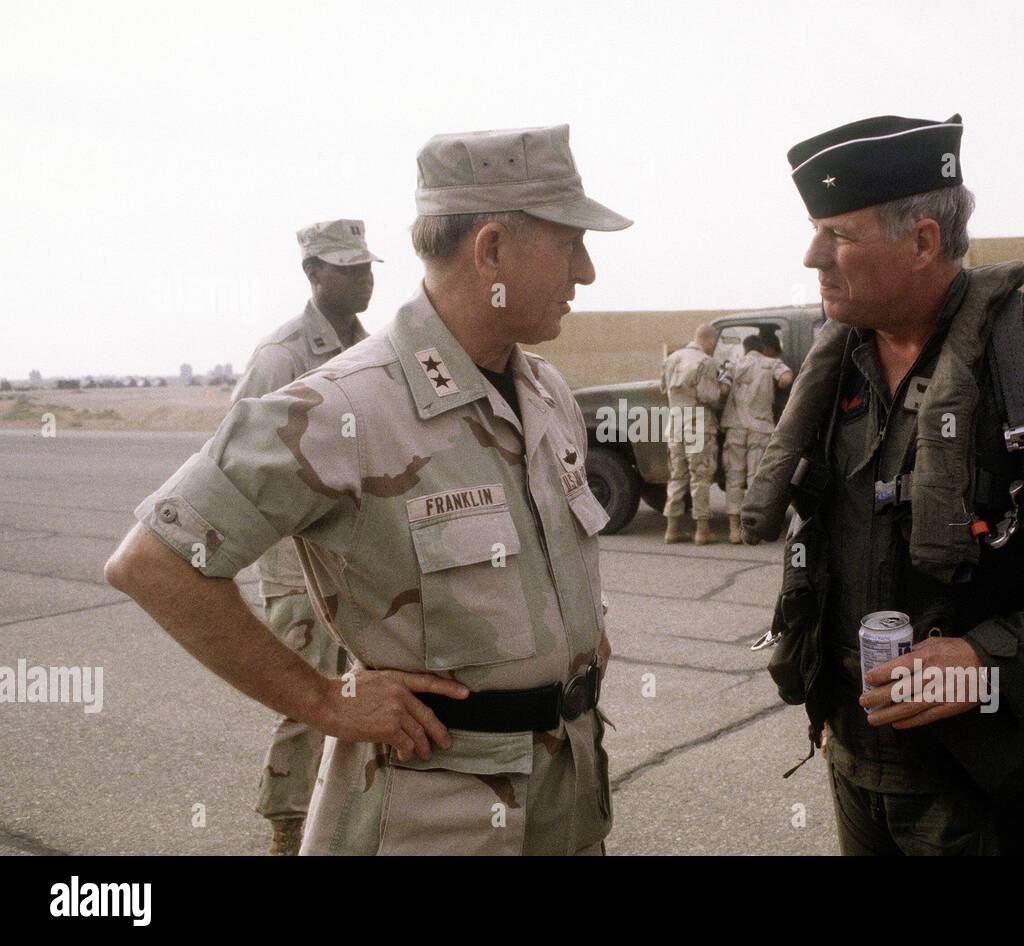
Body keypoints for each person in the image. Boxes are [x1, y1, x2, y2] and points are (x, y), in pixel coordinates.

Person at [105, 123, 631, 855]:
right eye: (570, 241)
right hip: (436, 817)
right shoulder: (342, 408)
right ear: (492, 251)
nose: (586, 271)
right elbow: (154, 563)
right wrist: (322, 699)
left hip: (568, 796)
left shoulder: (544, 391)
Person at [742, 113, 1024, 855]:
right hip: (853, 759)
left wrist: (987, 660)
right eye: (816, 230)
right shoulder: (837, 370)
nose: (813, 255)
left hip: (990, 778)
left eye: (840, 235)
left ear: (922, 240)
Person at [229, 218, 380, 855]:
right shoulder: (283, 357)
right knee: (307, 691)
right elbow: (237, 459)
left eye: (367, 267)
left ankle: (347, 821)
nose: (364, 279)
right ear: (313, 274)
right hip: (297, 557)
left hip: (356, 550)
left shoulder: (370, 347)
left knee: (366, 688)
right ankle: (287, 829)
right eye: (348, 268)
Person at [660, 324, 730, 544]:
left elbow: (663, 388)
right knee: (700, 476)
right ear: (708, 340)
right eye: (713, 342)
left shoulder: (672, 358)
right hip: (697, 423)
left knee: (677, 475)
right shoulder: (706, 362)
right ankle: (702, 530)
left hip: (675, 423)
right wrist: (724, 385)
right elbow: (710, 396)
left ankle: (672, 529)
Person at [720, 334, 793, 543]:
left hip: (735, 426)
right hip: (761, 426)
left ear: (744, 348)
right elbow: (786, 378)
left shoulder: (733, 364)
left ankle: (734, 529)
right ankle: (750, 529)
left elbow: (723, 388)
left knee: (734, 475)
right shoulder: (772, 363)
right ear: (762, 349)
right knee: (755, 476)